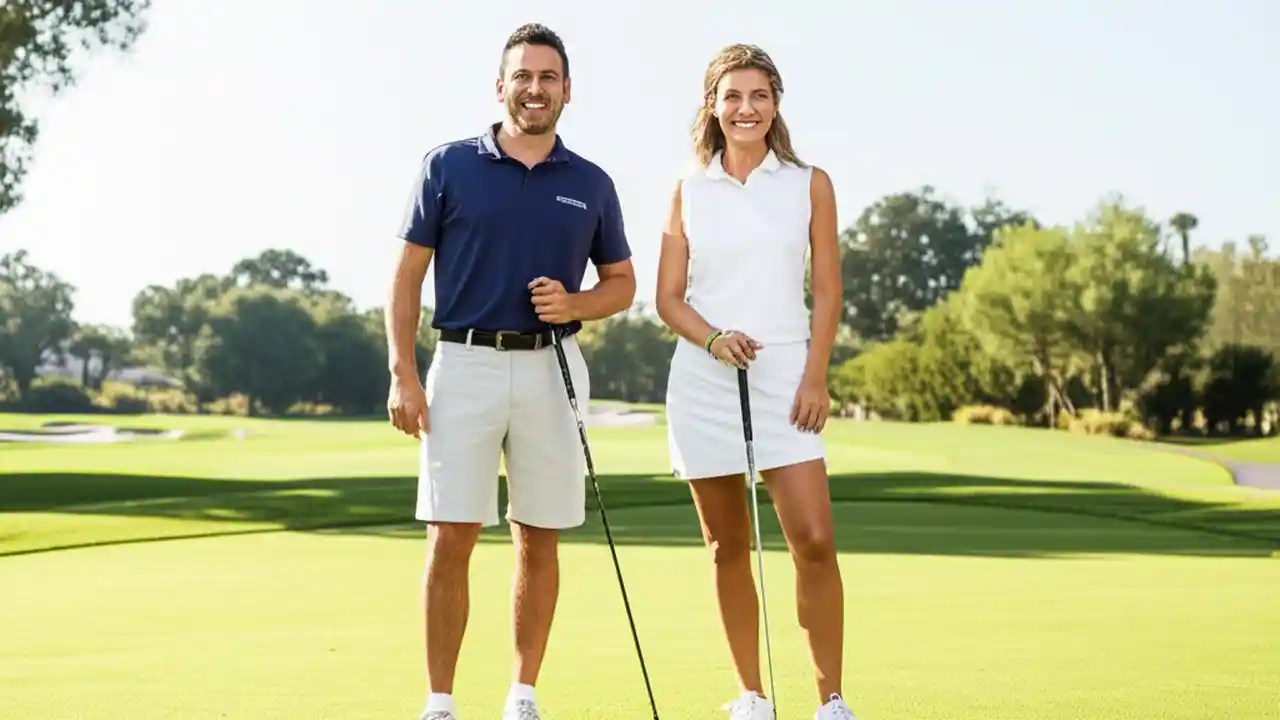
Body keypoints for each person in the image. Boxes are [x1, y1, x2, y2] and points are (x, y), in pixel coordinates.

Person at [385, 23, 636, 720]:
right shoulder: (448, 165)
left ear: (567, 91)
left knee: (539, 532)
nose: (535, 89)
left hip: (551, 368)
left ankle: (522, 695)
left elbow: (621, 283)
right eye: (523, 77)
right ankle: (439, 702)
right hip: (462, 364)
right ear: (501, 87)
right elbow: (406, 276)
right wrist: (402, 372)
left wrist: (575, 303)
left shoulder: (591, 183)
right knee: (450, 533)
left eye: (548, 77)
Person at [655, 44, 855, 720]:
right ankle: (751, 696)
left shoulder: (809, 183)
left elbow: (827, 292)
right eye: (732, 96)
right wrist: (712, 337)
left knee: (815, 540)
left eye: (759, 96)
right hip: (705, 383)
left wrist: (816, 377)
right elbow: (669, 298)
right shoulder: (688, 188)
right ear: (712, 105)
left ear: (775, 105)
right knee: (726, 546)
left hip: (788, 379)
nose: (746, 109)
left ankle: (830, 699)